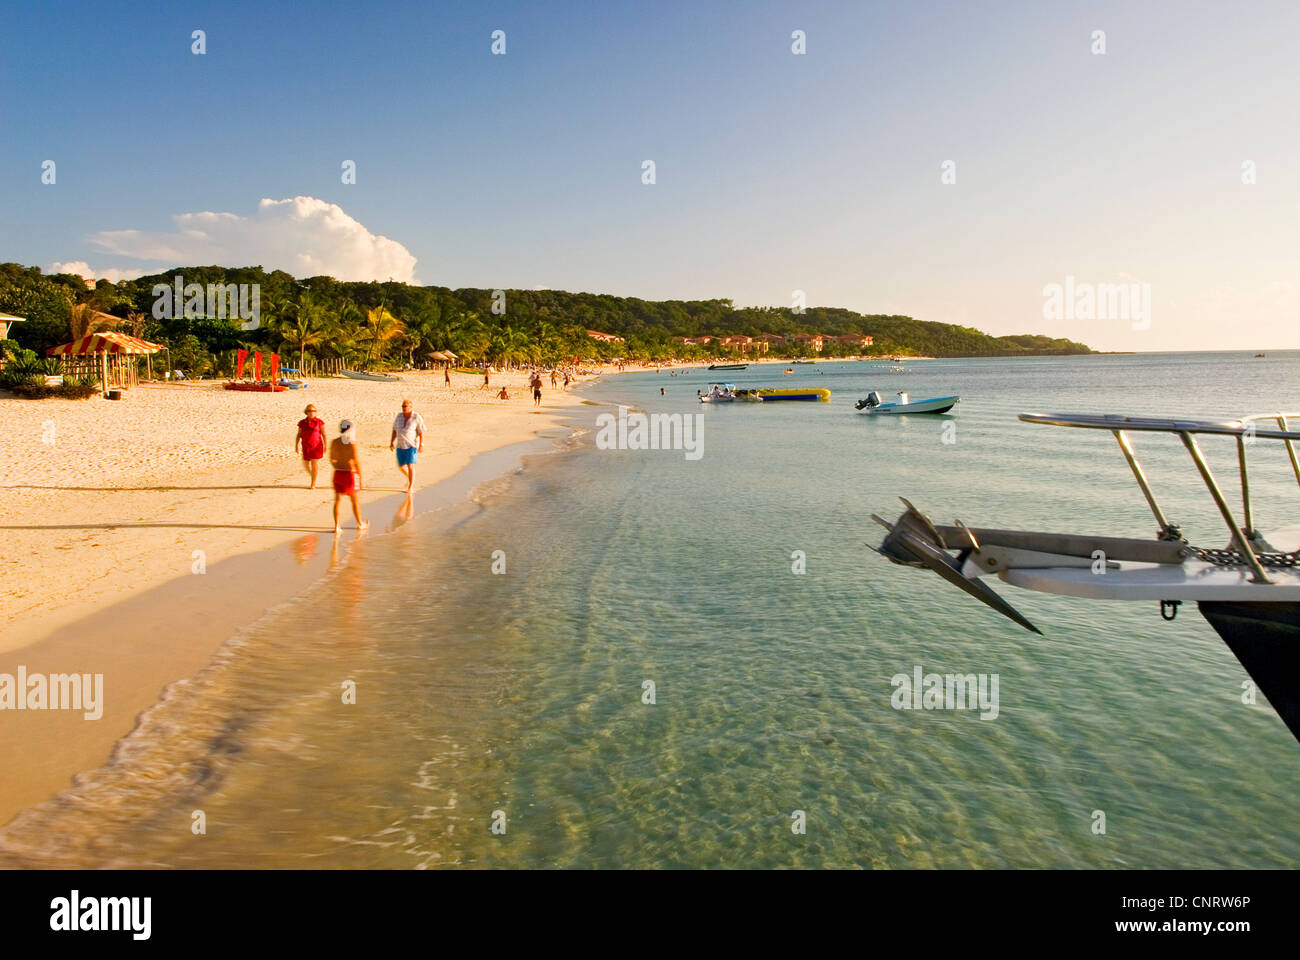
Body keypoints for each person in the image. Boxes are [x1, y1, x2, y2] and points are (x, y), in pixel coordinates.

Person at [329, 420, 367, 534]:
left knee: (337, 500)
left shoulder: (334, 442)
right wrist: (360, 478)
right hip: (349, 473)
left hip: (338, 473)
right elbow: (356, 462)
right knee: (355, 500)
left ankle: (337, 526)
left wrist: (337, 465)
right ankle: (360, 523)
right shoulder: (351, 444)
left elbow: (331, 459)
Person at [389, 399, 425, 492]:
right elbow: (394, 430)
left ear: (410, 407)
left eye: (405, 406)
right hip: (400, 445)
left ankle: (411, 486)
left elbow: (421, 431)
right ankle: (410, 478)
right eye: (402, 406)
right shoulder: (399, 416)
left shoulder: (416, 417)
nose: (403, 408)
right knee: (401, 466)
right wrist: (391, 442)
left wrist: (421, 444)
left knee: (410, 465)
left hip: (411, 445)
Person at [295, 404, 326, 488]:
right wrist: (296, 445)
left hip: (317, 445)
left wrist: (326, 445)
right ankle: (313, 475)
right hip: (305, 445)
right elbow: (298, 434)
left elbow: (323, 434)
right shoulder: (302, 423)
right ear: (306, 412)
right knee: (305, 464)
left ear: (316, 412)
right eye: (309, 411)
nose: (311, 412)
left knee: (314, 464)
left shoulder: (319, 422)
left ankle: (313, 483)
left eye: (313, 411)